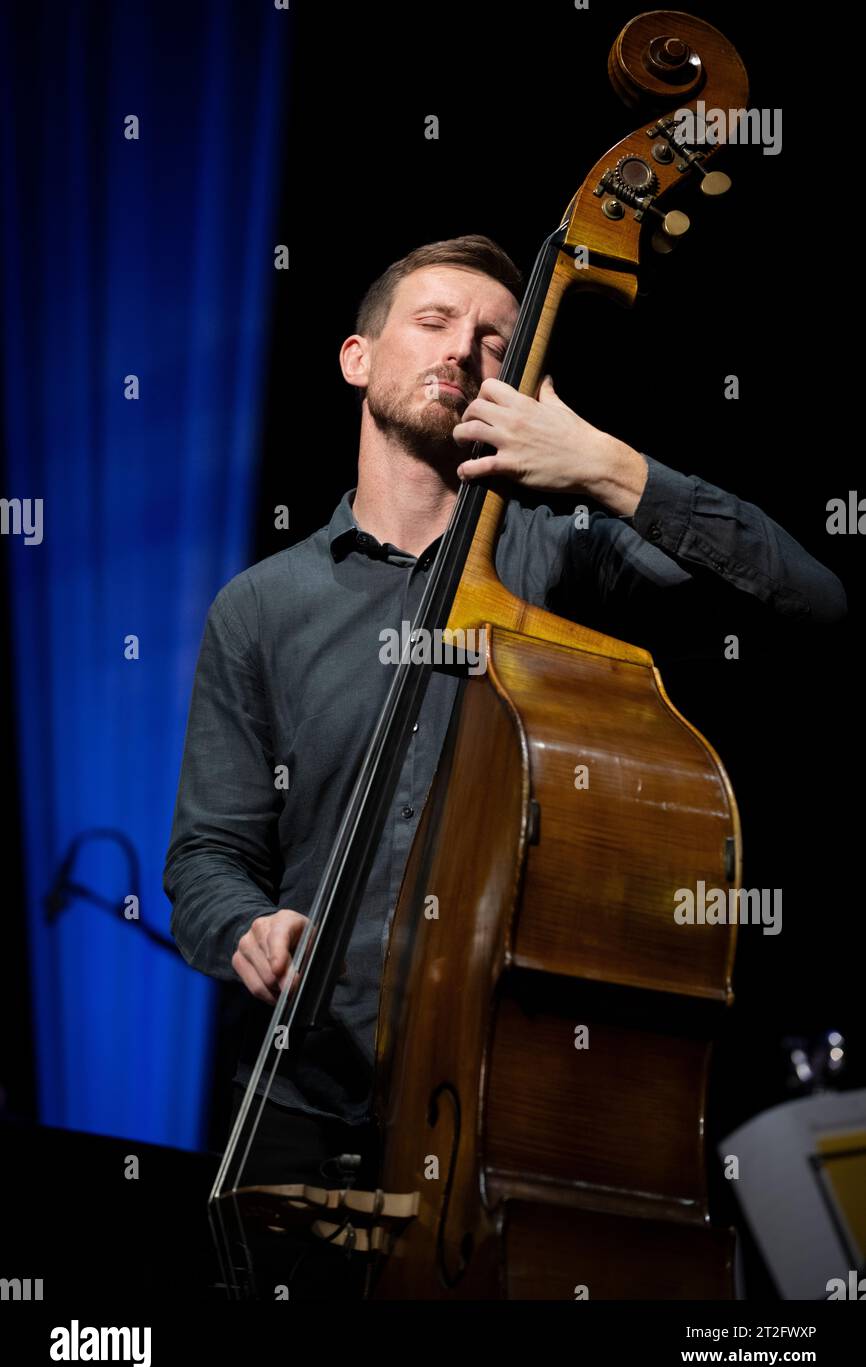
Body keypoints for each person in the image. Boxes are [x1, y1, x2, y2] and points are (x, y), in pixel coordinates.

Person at [163, 234, 846, 1297]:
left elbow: (812, 601)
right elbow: (207, 853)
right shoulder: (259, 608)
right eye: (432, 322)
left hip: (516, 1106)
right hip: (301, 1107)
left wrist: (610, 468)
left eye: (494, 340)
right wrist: (242, 926)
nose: (463, 352)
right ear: (357, 357)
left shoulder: (568, 552)